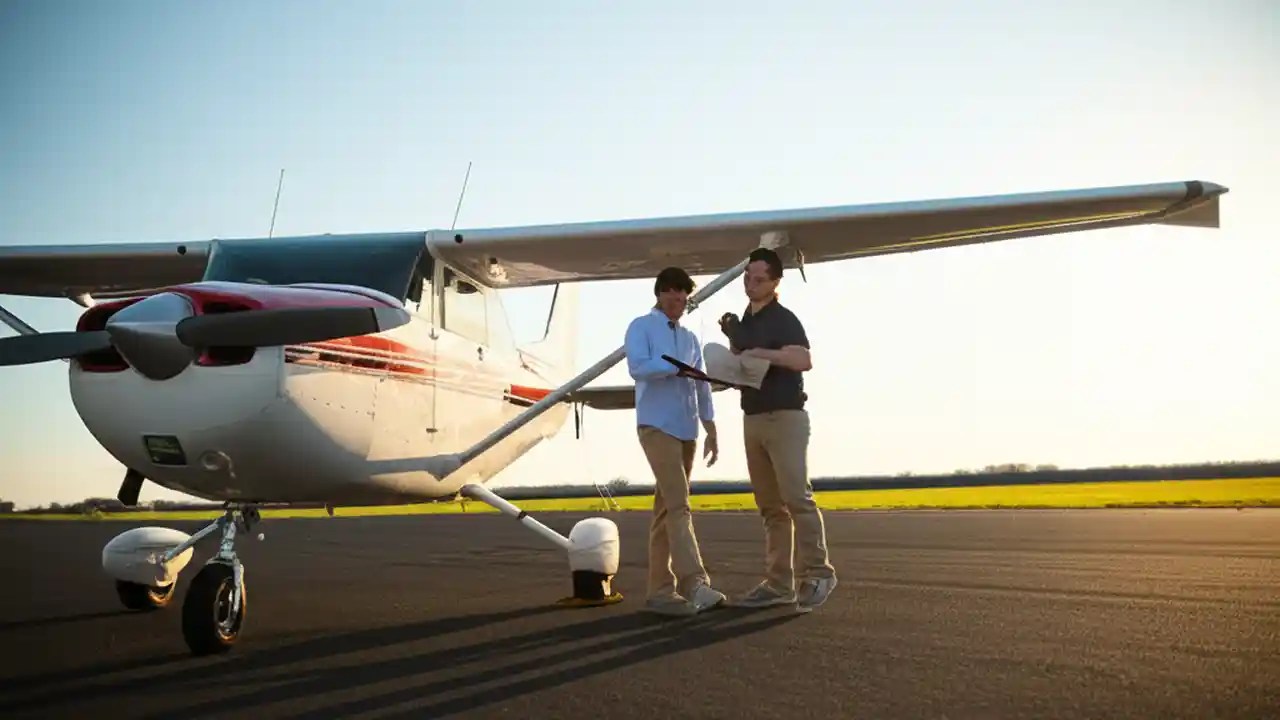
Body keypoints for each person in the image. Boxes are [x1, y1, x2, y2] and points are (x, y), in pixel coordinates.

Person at [719, 247, 837, 612]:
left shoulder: (783, 318)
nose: (750, 285)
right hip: (752, 417)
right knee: (770, 506)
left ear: (775, 282)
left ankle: (819, 573)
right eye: (747, 278)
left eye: (759, 280)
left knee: (796, 498)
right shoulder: (745, 321)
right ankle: (778, 583)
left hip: (785, 417)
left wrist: (761, 354)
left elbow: (804, 359)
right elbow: (745, 365)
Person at [624, 266, 726, 616]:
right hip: (656, 424)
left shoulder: (690, 338)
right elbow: (638, 367)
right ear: (659, 294)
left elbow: (701, 384)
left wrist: (710, 427)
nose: (678, 300)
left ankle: (659, 593)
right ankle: (694, 583)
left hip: (686, 429)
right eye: (671, 293)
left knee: (666, 510)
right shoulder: (641, 327)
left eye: (683, 295)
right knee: (680, 504)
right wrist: (673, 367)